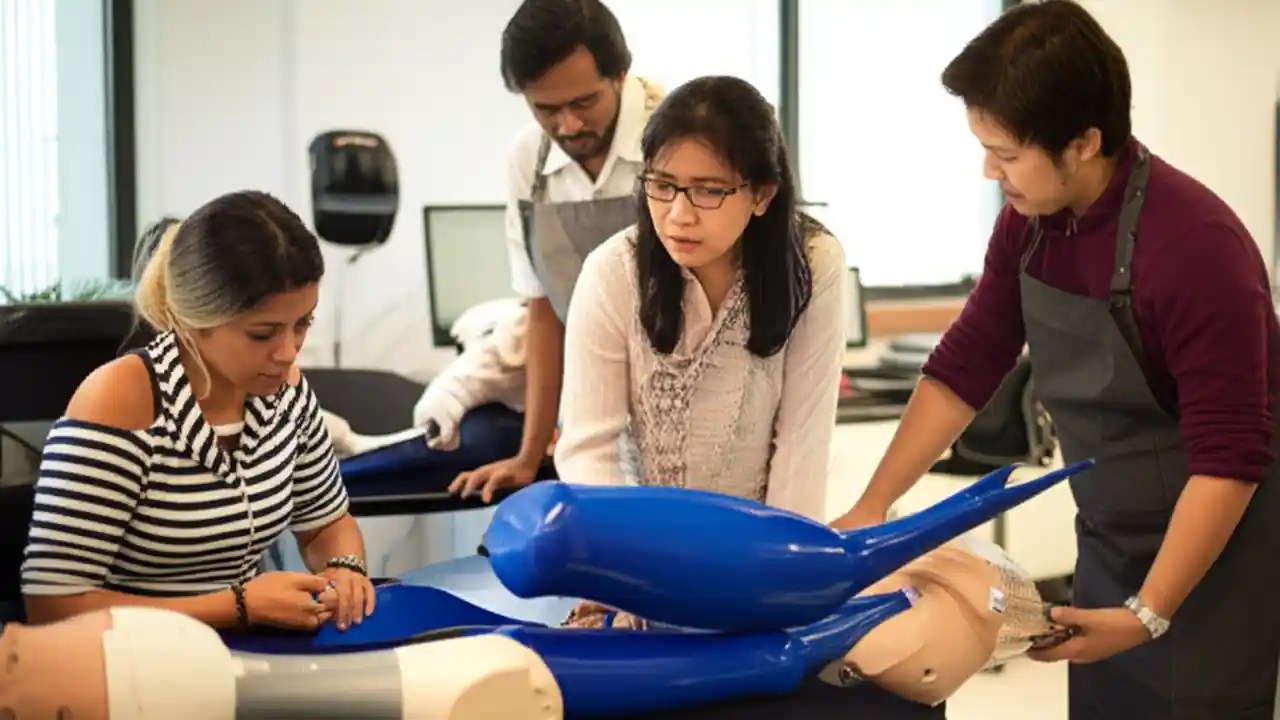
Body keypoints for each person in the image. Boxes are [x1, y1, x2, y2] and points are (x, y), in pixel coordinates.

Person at [829, 2, 1280, 718]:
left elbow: (1229, 460)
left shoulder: (1197, 249)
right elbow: (968, 362)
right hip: (1107, 542)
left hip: (1213, 558)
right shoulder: (1028, 225)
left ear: (1084, 142)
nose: (989, 171)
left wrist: (1149, 612)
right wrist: (871, 505)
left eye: (1006, 155)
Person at [20, 191, 376, 634]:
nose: (288, 352)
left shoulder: (286, 393)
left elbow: (326, 523)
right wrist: (238, 606)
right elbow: (52, 605)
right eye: (262, 334)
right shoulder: (119, 401)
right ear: (194, 321)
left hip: (247, 653)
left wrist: (345, 567)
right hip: (132, 660)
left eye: (303, 323)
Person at [553, 75, 847, 523]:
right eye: (663, 185)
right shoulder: (612, 271)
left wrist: (782, 558)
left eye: (709, 191)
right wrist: (627, 552)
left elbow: (801, 448)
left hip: (761, 539)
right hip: (637, 535)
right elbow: (590, 450)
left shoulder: (815, 262)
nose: (679, 215)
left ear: (762, 194)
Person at [447, 0, 664, 503]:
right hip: (596, 411)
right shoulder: (529, 160)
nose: (568, 125)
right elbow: (544, 313)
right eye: (546, 109)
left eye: (584, 102)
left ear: (620, 74)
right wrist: (529, 455)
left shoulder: (676, 138)